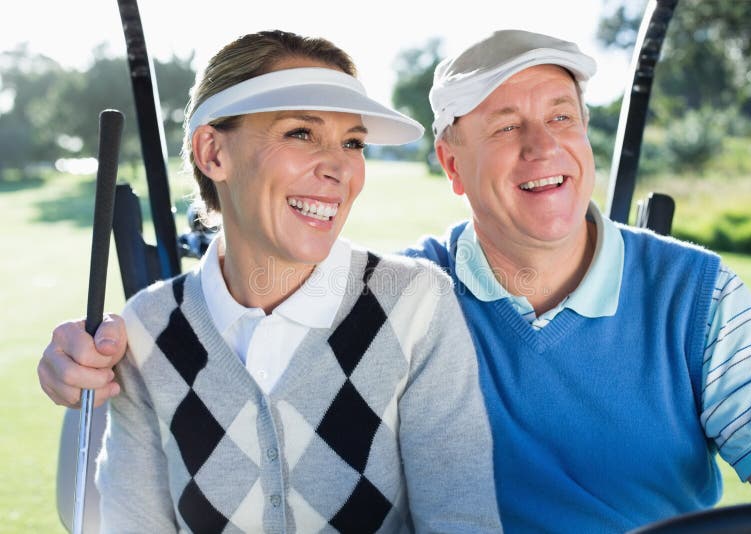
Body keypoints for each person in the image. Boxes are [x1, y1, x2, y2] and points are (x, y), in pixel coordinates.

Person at [39, 29, 751, 533]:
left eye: (564, 118)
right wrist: (88, 370)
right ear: (452, 164)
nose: (545, 148)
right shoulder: (400, 297)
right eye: (506, 126)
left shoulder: (697, 297)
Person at [41, 29, 501, 533]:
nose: (338, 168)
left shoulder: (416, 305)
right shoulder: (144, 331)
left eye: (353, 142)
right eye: (300, 133)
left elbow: (461, 520)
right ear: (213, 153)